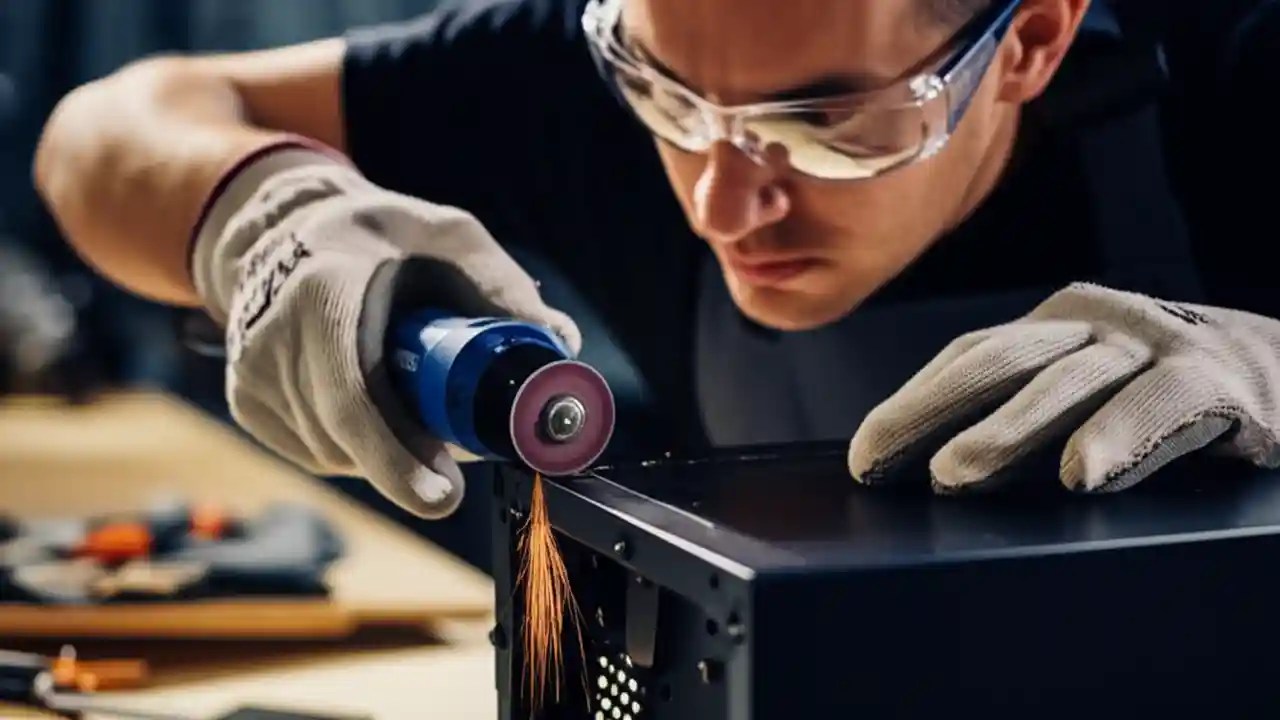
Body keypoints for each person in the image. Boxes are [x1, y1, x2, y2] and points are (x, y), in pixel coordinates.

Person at [33, 0, 1280, 519]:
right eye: (672, 105)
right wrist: (263, 211)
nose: (727, 199)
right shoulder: (583, 76)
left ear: (1032, 41)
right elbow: (102, 132)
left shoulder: (1229, 68)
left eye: (824, 124)